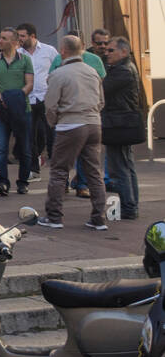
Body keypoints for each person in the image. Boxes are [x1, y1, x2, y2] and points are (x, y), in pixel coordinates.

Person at [37, 36, 107, 230]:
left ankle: (54, 216)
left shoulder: (59, 74)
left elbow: (50, 105)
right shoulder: (93, 72)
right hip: (93, 123)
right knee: (94, 171)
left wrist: (55, 122)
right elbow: (101, 101)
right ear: (82, 50)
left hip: (70, 124)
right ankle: (98, 217)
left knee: (59, 170)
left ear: (63, 51)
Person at [101, 36, 147, 221]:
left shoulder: (122, 71)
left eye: (111, 50)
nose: (106, 53)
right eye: (106, 50)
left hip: (118, 124)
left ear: (124, 52)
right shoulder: (122, 68)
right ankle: (131, 205)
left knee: (119, 168)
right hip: (120, 122)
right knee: (126, 166)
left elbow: (101, 89)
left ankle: (129, 206)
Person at [0, 27, 34, 196]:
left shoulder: (25, 60)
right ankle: (2, 182)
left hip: (22, 110)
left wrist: (17, 98)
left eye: (4, 38)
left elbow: (29, 83)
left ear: (14, 42)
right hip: (0, 110)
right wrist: (3, 99)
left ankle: (23, 182)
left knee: (25, 149)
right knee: (0, 148)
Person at [15, 22, 59, 182]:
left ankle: (58, 172)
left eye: (22, 36)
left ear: (32, 36)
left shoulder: (49, 51)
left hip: (47, 98)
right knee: (29, 136)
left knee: (51, 135)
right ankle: (33, 169)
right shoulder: (17, 53)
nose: (19, 39)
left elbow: (58, 69)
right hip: (27, 99)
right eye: (17, 35)